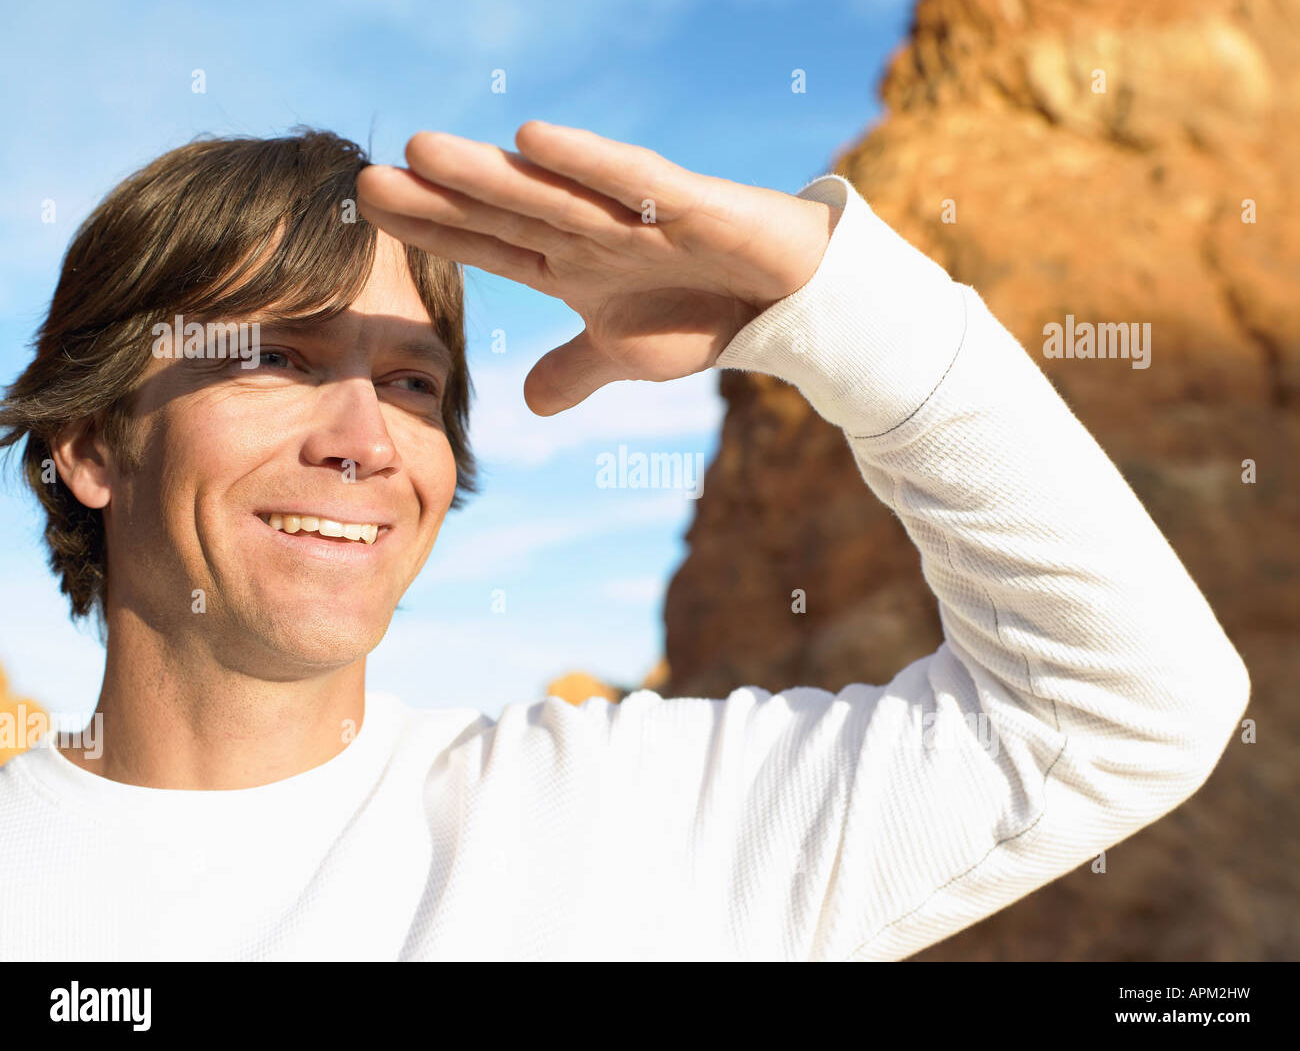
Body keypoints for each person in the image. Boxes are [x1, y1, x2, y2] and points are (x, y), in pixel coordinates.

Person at [0, 122, 1248, 961]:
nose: (365, 440)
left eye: (416, 384)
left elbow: (1120, 712)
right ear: (94, 444)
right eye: (276, 359)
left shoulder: (615, 818)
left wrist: (828, 308)